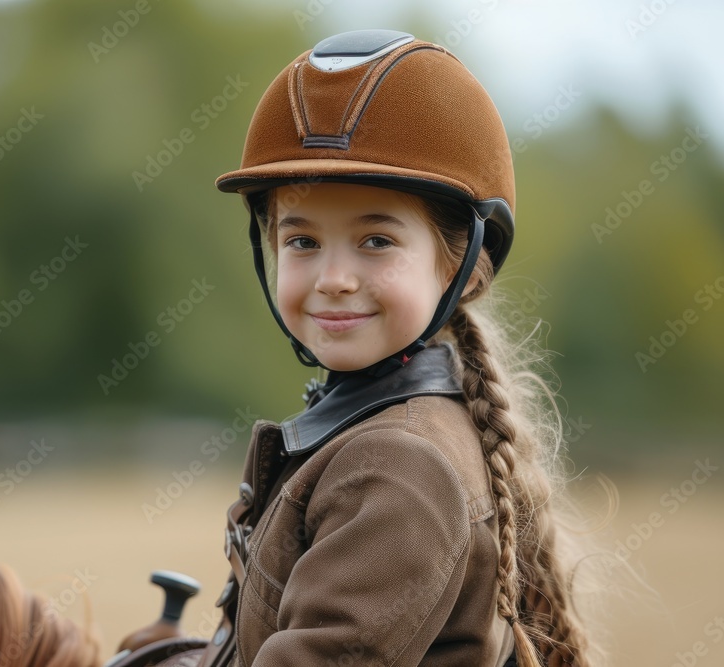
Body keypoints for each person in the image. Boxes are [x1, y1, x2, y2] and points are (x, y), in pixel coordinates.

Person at [199, 29, 600, 667]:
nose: (333, 276)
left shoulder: (398, 468)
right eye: (302, 241)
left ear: (462, 268)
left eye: (376, 240)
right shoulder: (381, 430)